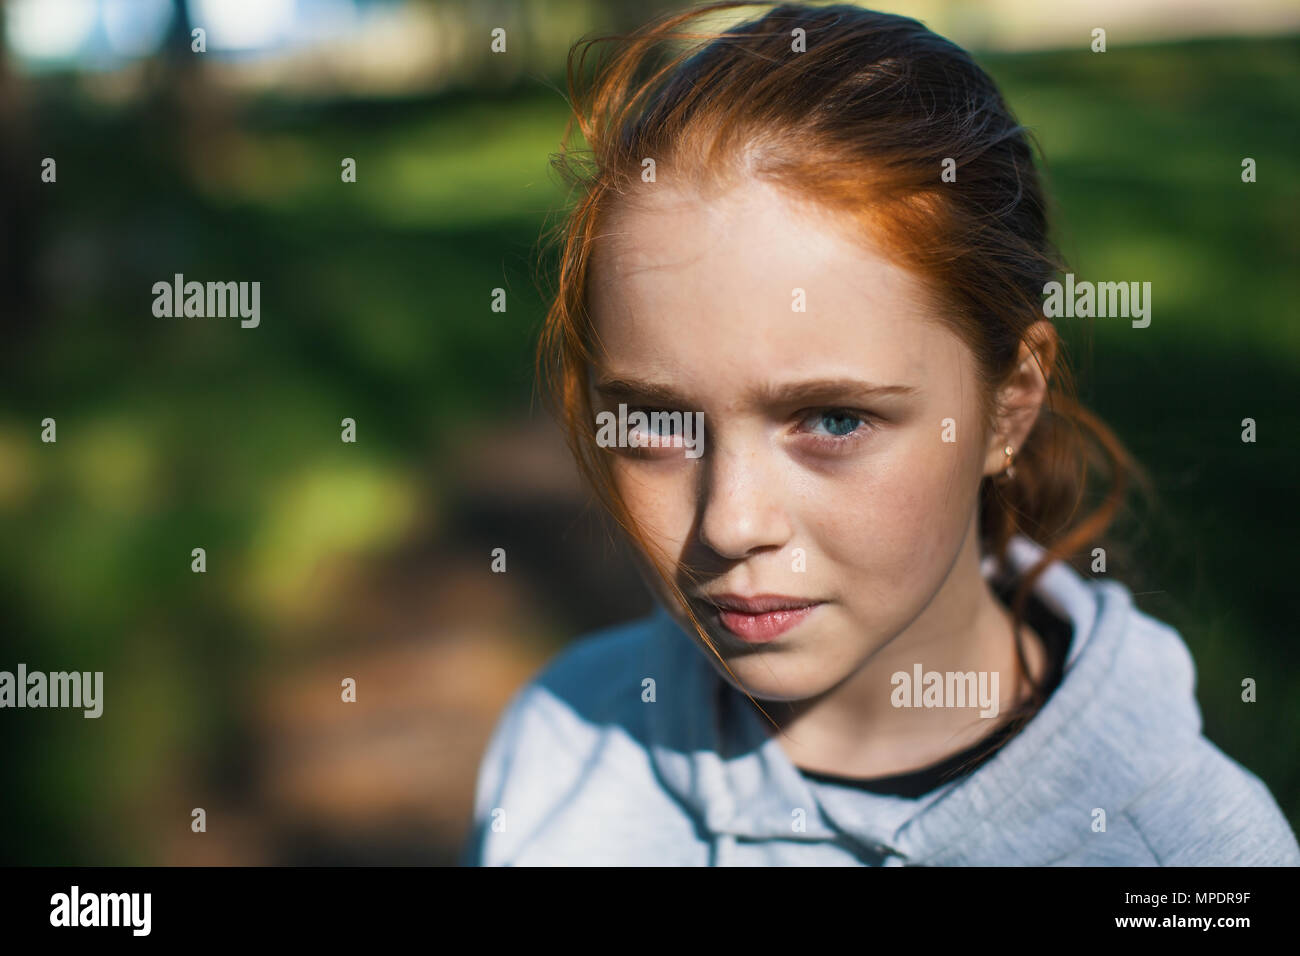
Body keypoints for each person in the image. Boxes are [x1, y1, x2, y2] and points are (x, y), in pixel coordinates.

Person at [461, 1, 1299, 866]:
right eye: (658, 422)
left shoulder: (1186, 859)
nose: (731, 524)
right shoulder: (562, 748)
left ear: (1009, 406)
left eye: (834, 420)